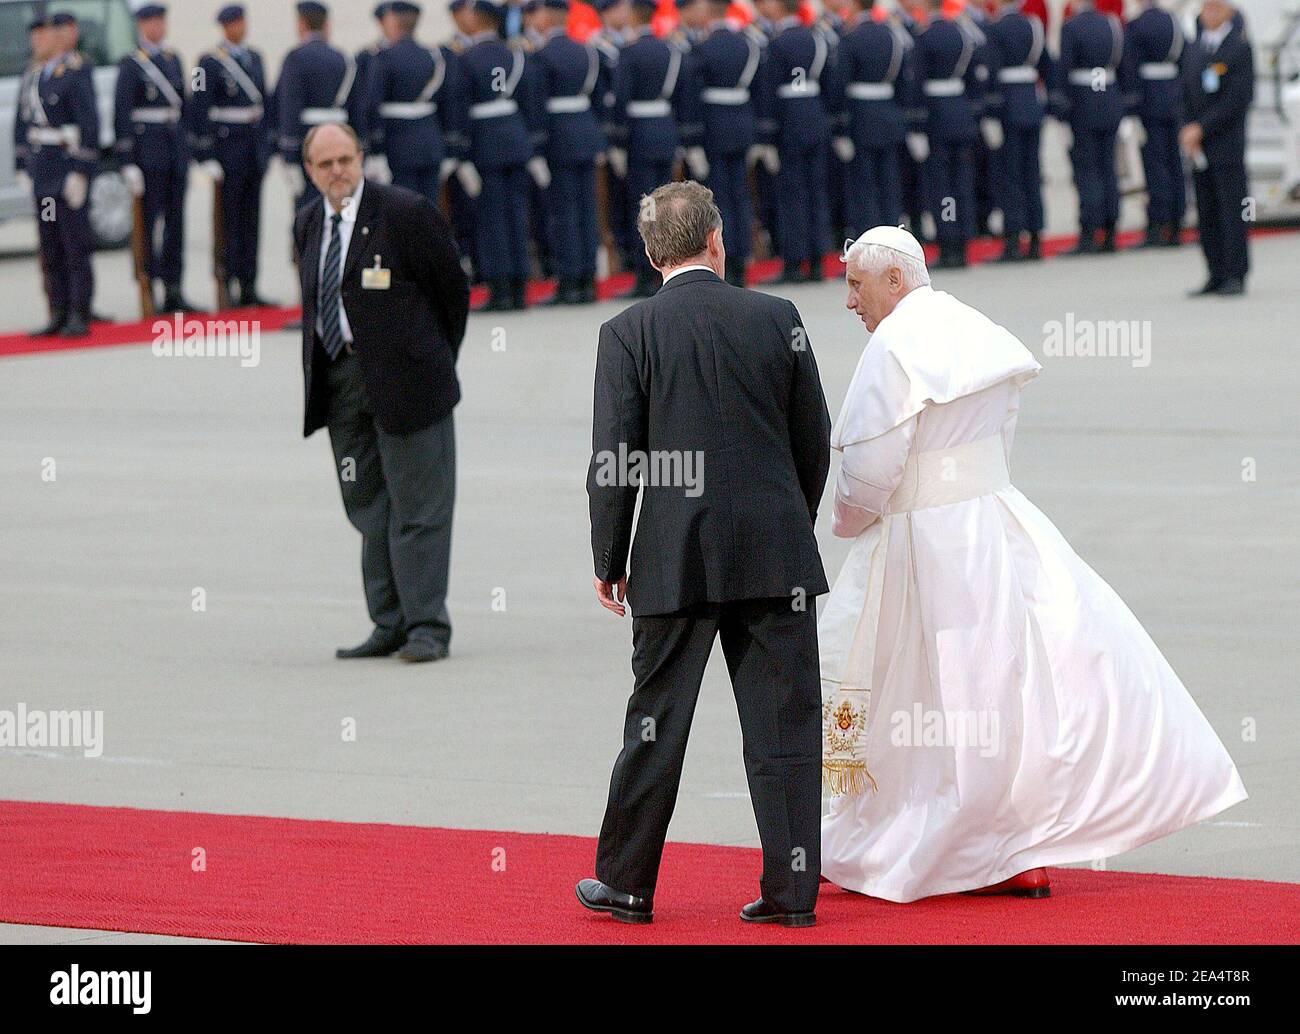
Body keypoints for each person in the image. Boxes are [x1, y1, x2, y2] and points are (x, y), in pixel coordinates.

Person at [818, 225, 1249, 902]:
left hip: (920, 540)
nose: (849, 301)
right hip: (995, 525)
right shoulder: (974, 326)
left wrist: (848, 525)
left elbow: (869, 473)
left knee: (913, 695)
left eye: (856, 284)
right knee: (1000, 689)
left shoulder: (894, 345)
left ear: (895, 281)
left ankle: (919, 845)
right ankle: (1016, 846)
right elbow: (1002, 430)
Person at [578, 181, 831, 927]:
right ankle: (791, 896)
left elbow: (615, 459)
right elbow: (812, 441)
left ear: (651, 255)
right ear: (718, 241)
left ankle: (626, 884)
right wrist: (791, 522)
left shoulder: (628, 333)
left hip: (672, 558)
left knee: (655, 723)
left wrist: (608, 556)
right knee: (785, 728)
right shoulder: (777, 316)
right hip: (775, 556)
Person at [294, 124, 469, 663]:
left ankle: (426, 627)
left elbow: (452, 292)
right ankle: (388, 621)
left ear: (361, 158)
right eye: (325, 164)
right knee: (368, 504)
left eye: (346, 159)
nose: (338, 171)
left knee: (419, 507)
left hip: (409, 381)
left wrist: (432, 359)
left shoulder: (404, 212)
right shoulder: (307, 224)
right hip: (342, 381)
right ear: (310, 171)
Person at [451, 0, 546, 311]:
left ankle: (500, 288)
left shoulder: (465, 59)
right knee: (517, 214)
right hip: (516, 139)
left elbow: (459, 110)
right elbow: (531, 101)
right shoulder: (516, 55)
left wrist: (461, 155)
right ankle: (520, 286)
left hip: (485, 144)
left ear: (477, 19)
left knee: (492, 218)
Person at [14, 13, 99, 337]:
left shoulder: (74, 75)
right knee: (50, 244)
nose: (37, 42)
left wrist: (81, 171)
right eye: (34, 37)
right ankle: (58, 309)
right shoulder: (33, 76)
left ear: (58, 38)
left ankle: (80, 311)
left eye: (43, 35)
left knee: (74, 243)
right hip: (43, 177)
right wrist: (23, 167)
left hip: (66, 173)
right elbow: (22, 126)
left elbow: (89, 124)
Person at [113, 3, 200, 314]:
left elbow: (185, 106)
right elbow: (121, 113)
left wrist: (192, 149)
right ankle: (147, 283)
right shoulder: (132, 64)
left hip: (174, 151)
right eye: (151, 23)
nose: (157, 28)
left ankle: (174, 289)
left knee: (176, 224)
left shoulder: (172, 58)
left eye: (161, 22)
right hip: (147, 153)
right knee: (148, 225)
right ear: (140, 26)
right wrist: (126, 161)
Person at [191, 4, 274, 308]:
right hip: (227, 148)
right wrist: (204, 153)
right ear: (224, 27)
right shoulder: (207, 62)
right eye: (233, 23)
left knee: (252, 220)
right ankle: (227, 281)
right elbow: (198, 106)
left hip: (253, 148)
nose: (239, 27)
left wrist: (269, 145)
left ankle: (250, 285)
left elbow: (265, 102)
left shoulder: (255, 58)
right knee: (229, 221)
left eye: (242, 22)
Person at [678, 0, 763, 287]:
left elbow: (691, 96)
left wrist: (692, 139)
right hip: (741, 123)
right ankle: (742, 260)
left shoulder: (702, 47)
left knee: (718, 198)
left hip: (714, 126)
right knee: (740, 195)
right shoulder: (747, 43)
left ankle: (722, 260)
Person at [754, 0, 838, 283]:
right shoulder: (816, 37)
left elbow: (768, 90)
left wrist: (766, 135)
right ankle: (817, 260)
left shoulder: (777, 42)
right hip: (814, 115)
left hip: (789, 121)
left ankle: (794, 261)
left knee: (792, 194)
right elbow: (829, 81)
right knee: (817, 190)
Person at [608, 0, 687, 297]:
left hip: (639, 135)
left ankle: (646, 274)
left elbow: (621, 99)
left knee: (646, 207)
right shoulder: (669, 49)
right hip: (664, 130)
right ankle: (671, 268)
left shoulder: (628, 53)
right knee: (666, 206)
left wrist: (617, 141)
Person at [532, 0, 606, 304]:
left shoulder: (540, 55)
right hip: (586, 130)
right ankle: (588, 278)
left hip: (558, 136)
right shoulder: (587, 51)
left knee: (564, 211)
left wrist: (537, 146)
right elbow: (600, 98)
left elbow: (536, 104)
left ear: (549, 15)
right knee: (587, 207)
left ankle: (570, 281)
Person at [1181, 0, 1253, 296]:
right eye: (1205, 9)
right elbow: (1185, 91)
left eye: (1215, 9)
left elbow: (1238, 98)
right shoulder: (1196, 47)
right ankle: (1215, 271)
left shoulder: (1238, 48)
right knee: (1207, 210)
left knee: (1230, 209)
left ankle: (1235, 273)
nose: (1209, 14)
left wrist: (1202, 127)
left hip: (1225, 143)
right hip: (1198, 145)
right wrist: (1186, 127)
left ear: (1228, 13)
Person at [362, 1, 462, 206]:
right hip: (431, 145)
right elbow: (451, 103)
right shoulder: (436, 58)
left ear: (392, 22)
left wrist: (375, 151)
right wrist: (451, 148)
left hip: (397, 147)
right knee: (429, 210)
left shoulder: (383, 58)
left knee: (401, 213)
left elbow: (372, 106)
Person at [911, 0, 984, 270]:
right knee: (961, 181)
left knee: (942, 187)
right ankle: (962, 242)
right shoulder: (962, 33)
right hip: (960, 112)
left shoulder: (925, 35)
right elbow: (976, 79)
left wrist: (917, 125)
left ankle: (949, 239)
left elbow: (916, 81)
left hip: (936, 115)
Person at [1053, 0, 1128, 256]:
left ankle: (1089, 231)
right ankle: (1110, 229)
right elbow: (1122, 63)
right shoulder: (1111, 24)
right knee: (1108, 167)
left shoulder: (1071, 27)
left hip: (1084, 102)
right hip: (1109, 97)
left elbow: (1064, 67)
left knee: (1087, 169)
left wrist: (1061, 109)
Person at [837, 0, 915, 241]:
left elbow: (840, 84)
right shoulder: (892, 35)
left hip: (861, 117)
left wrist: (841, 127)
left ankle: (870, 240)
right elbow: (904, 80)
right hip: (888, 114)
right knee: (890, 182)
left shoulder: (851, 37)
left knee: (864, 185)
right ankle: (893, 237)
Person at [984, 0, 1053, 262]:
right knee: (1032, 172)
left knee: (1010, 176)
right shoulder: (1033, 25)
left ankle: (1013, 239)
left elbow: (990, 70)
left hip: (1007, 104)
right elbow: (1046, 64)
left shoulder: (997, 27)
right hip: (1031, 102)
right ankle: (1035, 238)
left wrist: (990, 113)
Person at [278, 1, 362, 210]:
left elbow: (289, 106)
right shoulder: (343, 58)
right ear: (326, 25)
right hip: (341, 135)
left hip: (309, 138)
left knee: (309, 208)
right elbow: (357, 106)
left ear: (301, 24)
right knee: (341, 202)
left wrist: (289, 155)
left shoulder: (296, 57)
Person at [1126, 0, 1187, 248]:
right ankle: (1176, 221)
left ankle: (1158, 223)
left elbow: (1129, 66)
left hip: (1149, 98)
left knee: (1155, 163)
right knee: (1174, 161)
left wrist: (1131, 106)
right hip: (1173, 96)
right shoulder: (1173, 21)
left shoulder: (1137, 25)